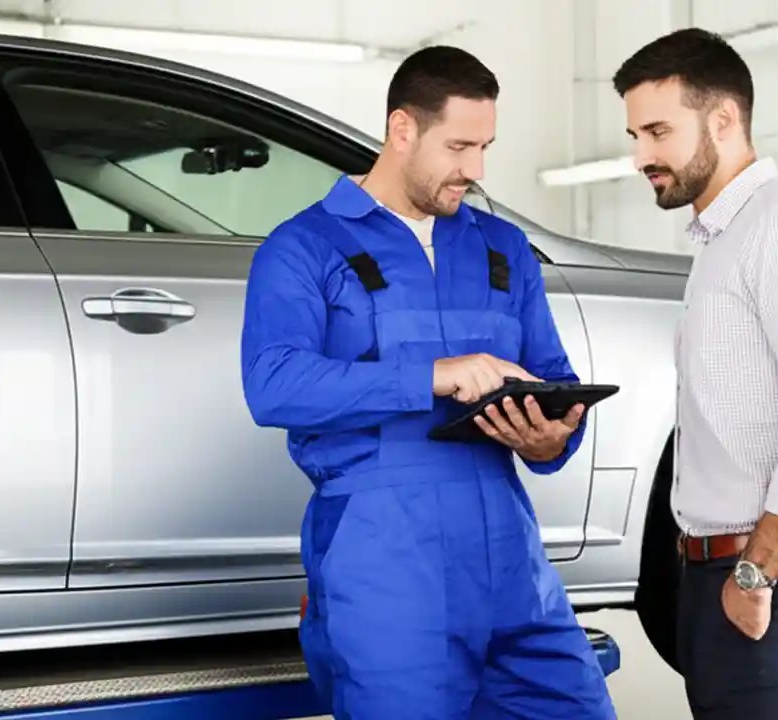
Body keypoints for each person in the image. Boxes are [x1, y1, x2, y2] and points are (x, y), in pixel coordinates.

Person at [241, 45, 616, 720]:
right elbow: (274, 384)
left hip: (510, 559)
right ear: (402, 130)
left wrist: (548, 439)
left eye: (486, 147)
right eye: (460, 146)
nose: (474, 171)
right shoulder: (305, 247)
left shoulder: (504, 250)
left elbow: (555, 380)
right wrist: (436, 376)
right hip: (383, 560)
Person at [611, 28, 778, 719]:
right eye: (634, 135)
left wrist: (754, 571)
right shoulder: (722, 240)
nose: (641, 155)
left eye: (657, 131)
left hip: (774, 575)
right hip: (722, 570)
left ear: (724, 119)